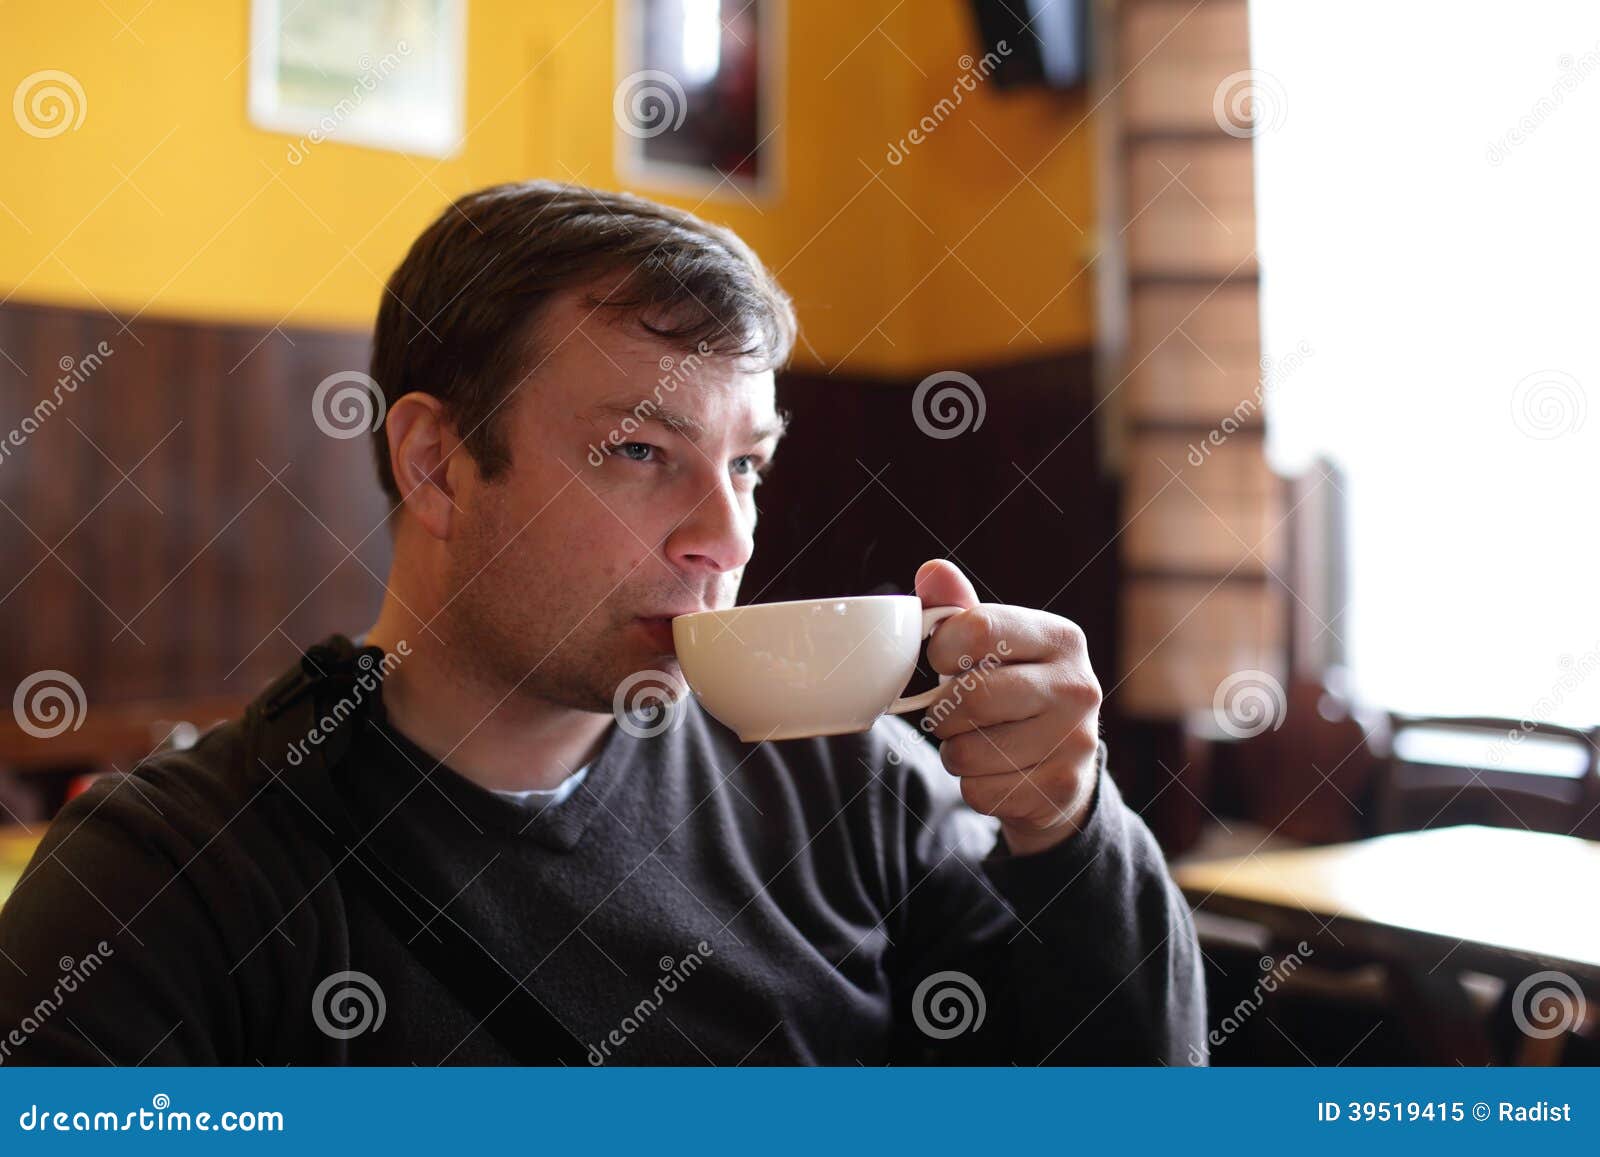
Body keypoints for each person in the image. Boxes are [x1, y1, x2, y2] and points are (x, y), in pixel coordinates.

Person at [0, 182, 1204, 1065]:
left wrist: (1071, 826)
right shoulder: (169, 879)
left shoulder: (851, 789)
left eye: (746, 465)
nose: (725, 538)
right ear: (436, 464)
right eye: (638, 450)